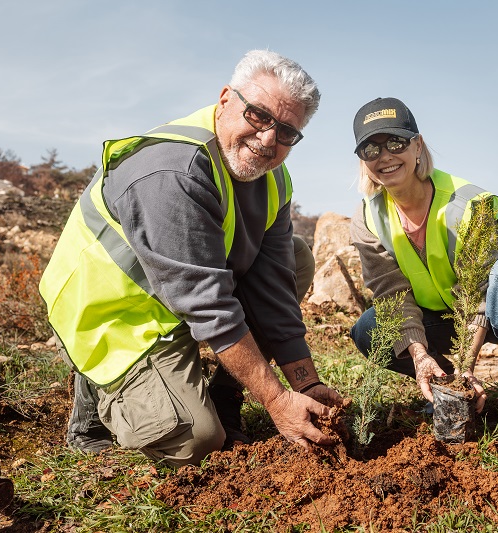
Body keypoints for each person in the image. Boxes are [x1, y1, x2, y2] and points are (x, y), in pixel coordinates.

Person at [39, 50, 343, 467]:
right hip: (118, 315)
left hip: (182, 295)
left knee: (296, 257)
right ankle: (95, 396)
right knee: (198, 439)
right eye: (258, 116)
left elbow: (273, 282)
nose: (269, 139)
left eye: (288, 132)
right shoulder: (172, 171)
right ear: (225, 100)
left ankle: (225, 392)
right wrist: (275, 400)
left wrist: (305, 385)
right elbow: (209, 305)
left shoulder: (273, 176)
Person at [348, 97, 498, 461]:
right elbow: (392, 293)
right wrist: (421, 357)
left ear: (417, 145)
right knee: (369, 328)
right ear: (363, 161)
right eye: (371, 148)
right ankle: (446, 389)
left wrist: (468, 365)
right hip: (439, 317)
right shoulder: (368, 217)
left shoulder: (469, 203)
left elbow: (477, 294)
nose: (384, 156)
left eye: (396, 143)